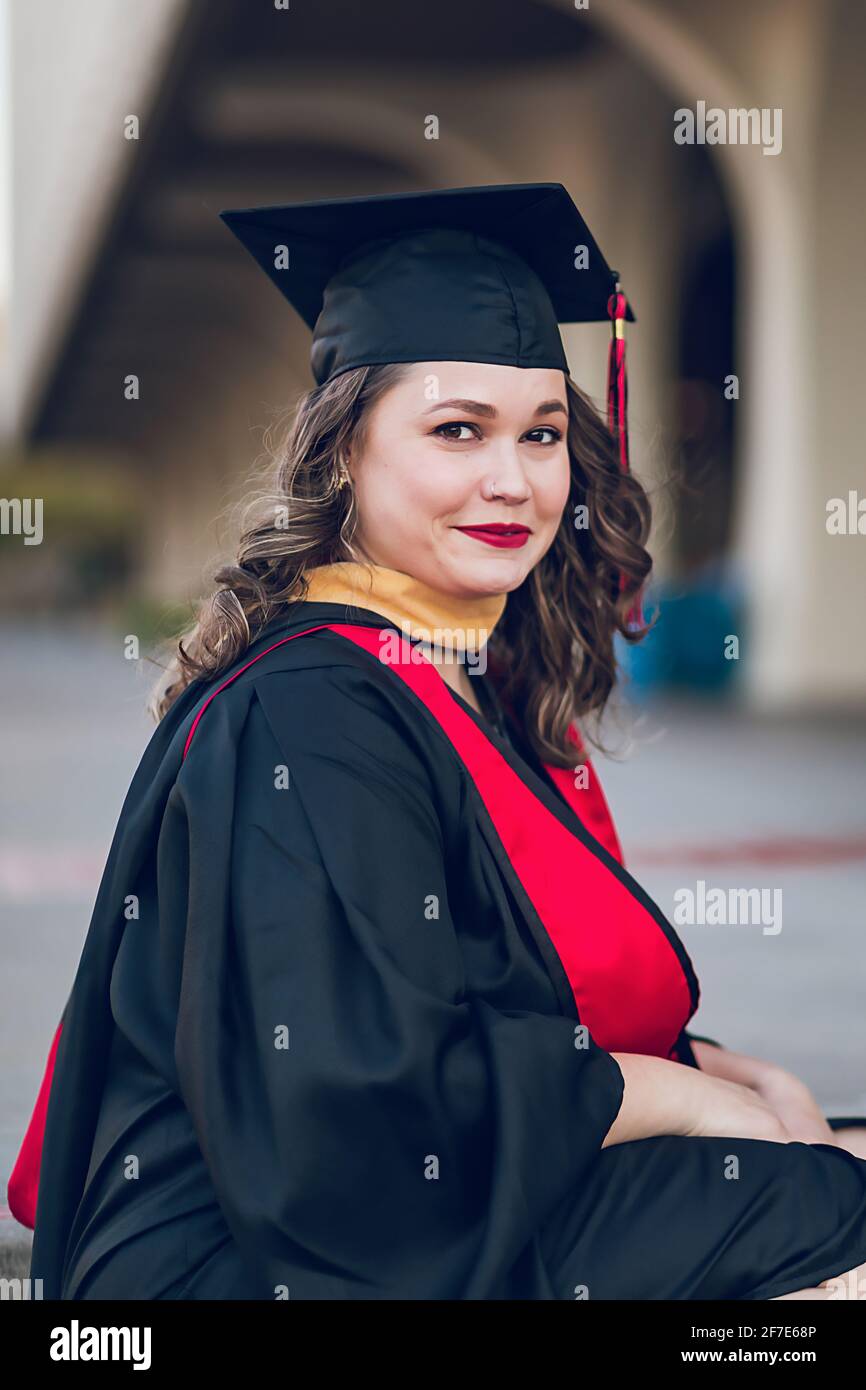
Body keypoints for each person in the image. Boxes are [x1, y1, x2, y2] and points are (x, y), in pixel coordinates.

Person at [10, 183, 866, 1301]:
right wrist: (688, 1099)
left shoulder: (450, 679)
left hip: (412, 1209)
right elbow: (364, 1102)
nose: (511, 480)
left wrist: (722, 1070)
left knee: (828, 1150)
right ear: (342, 455)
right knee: (820, 1213)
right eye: (456, 430)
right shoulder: (311, 710)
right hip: (251, 1254)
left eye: (542, 434)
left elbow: (488, 997)